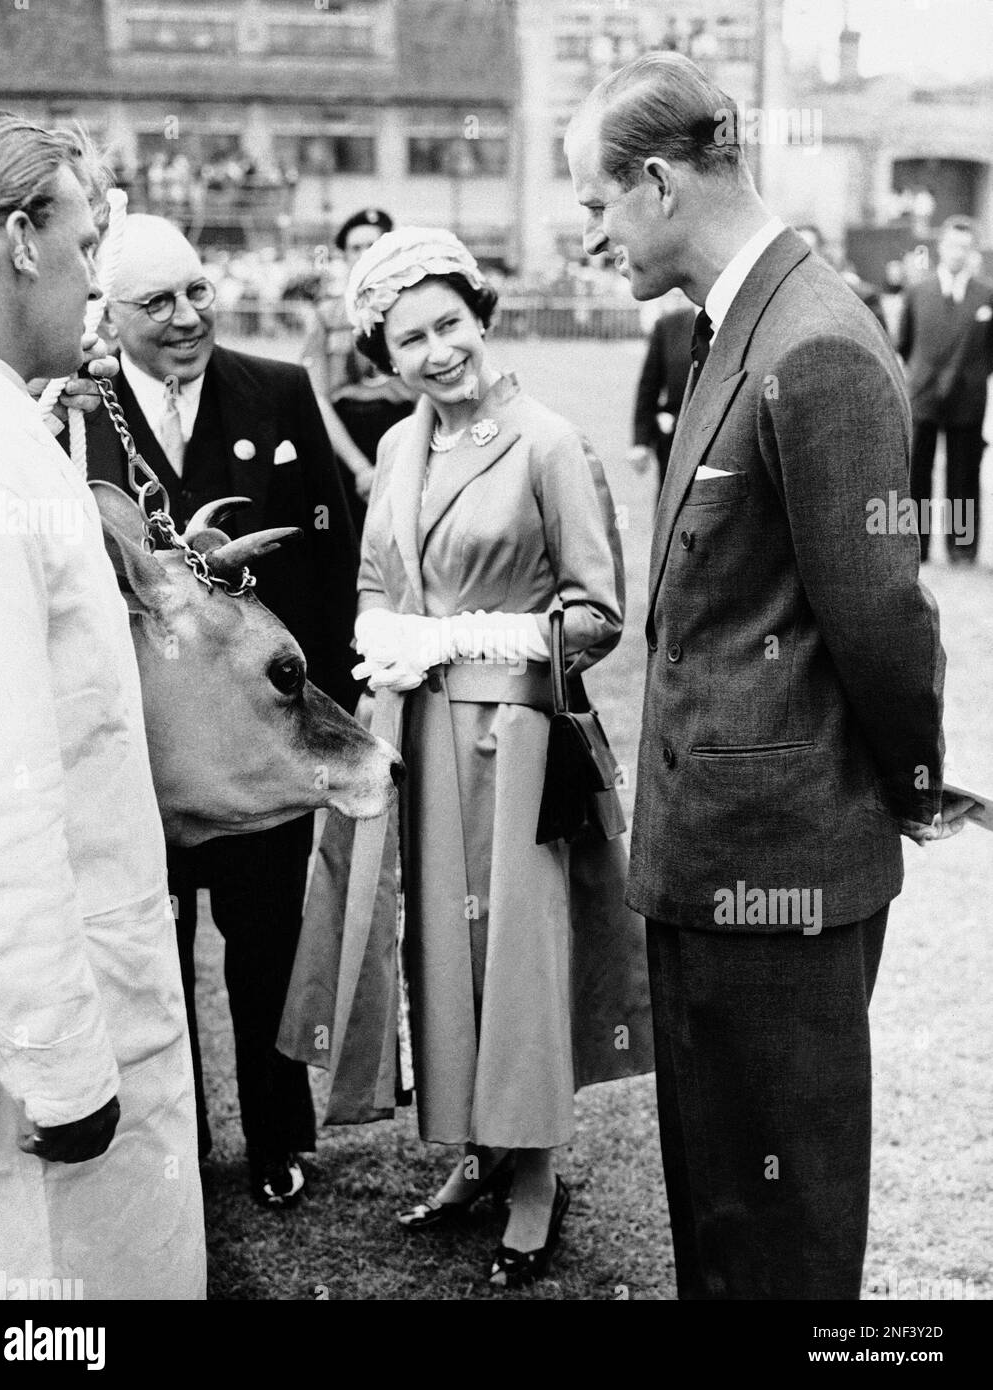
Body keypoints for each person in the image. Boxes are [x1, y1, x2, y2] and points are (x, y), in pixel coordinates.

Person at [566, 52, 970, 1300]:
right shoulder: (733, 324)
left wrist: (910, 785)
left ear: (655, 180)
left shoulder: (818, 342)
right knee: (721, 1209)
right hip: (713, 860)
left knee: (779, 1242)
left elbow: (882, 615)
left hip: (781, 874)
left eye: (594, 205)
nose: (589, 235)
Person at [277, 227, 653, 1289]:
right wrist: (380, 639)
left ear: (480, 316)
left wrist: (461, 637)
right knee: (438, 951)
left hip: (517, 735)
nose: (438, 351)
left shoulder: (546, 441)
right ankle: (478, 1155)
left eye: (449, 324)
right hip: (413, 735)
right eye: (411, 339)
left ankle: (534, 1173)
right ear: (381, 357)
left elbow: (596, 616)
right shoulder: (397, 449)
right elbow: (370, 580)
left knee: (517, 961)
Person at [0, 108, 204, 1298]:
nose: (97, 285)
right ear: (19, 239)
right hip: (50, 1054)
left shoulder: (5, 423)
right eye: (87, 243)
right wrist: (63, 1072)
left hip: (90, 987)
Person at [77, 213, 359, 1207]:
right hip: (142, 750)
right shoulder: (76, 410)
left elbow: (330, 568)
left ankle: (281, 1134)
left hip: (255, 745)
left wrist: (318, 725)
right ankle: (178, 1143)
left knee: (265, 939)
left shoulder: (278, 389)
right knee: (155, 949)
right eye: (156, 301)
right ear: (104, 313)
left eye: (197, 289)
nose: (188, 315)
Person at [299, 208, 415, 530]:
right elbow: (318, 399)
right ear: (345, 256)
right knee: (343, 539)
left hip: (406, 432)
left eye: (374, 245)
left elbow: (428, 394)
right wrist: (361, 467)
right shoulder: (326, 316)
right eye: (356, 248)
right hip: (345, 441)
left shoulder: (412, 309)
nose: (365, 254)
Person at [897, 215, 993, 564]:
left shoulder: (987, 294)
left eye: (965, 247)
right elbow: (904, 343)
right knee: (916, 473)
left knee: (963, 476)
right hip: (923, 395)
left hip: (968, 397)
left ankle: (962, 546)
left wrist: (974, 373)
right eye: (953, 245)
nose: (958, 253)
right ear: (941, 246)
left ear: (972, 252)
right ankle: (913, 547)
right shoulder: (917, 291)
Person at [629, 288, 694, 508]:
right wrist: (641, 441)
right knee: (670, 504)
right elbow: (649, 386)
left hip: (723, 434)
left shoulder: (732, 324)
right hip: (674, 434)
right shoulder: (668, 326)